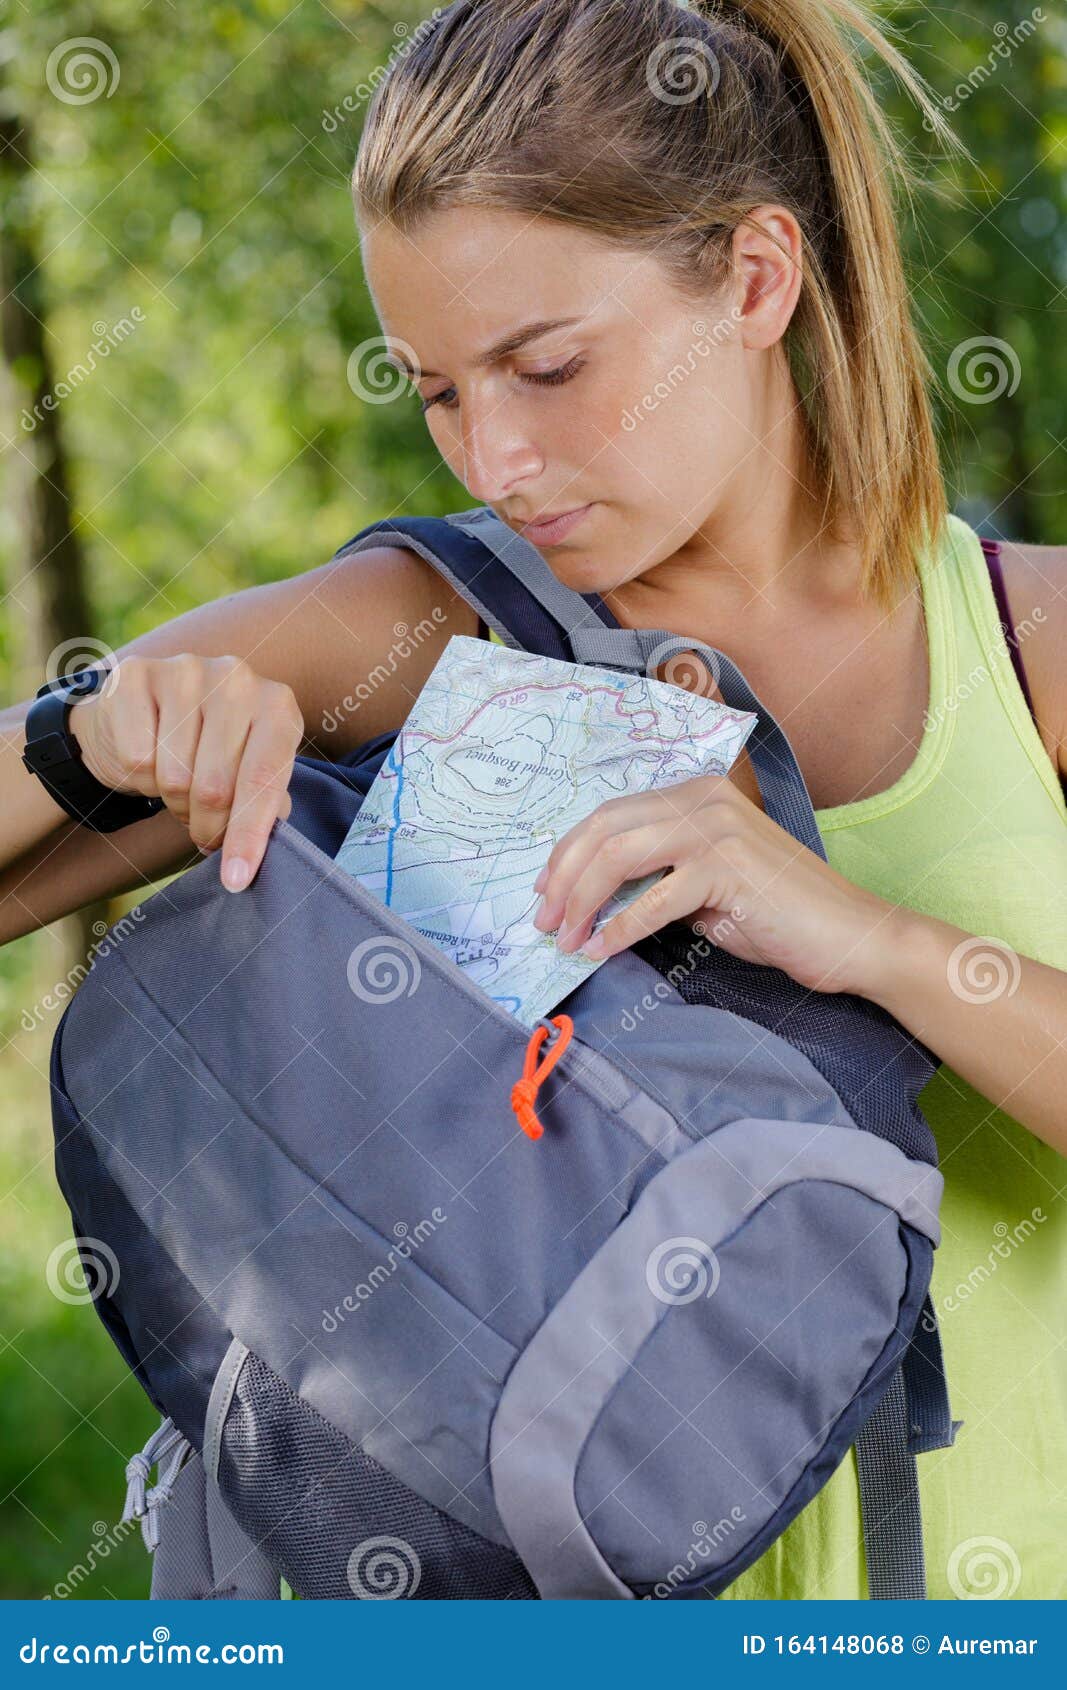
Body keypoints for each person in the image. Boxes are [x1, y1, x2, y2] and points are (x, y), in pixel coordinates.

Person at [2, 0, 1065, 1600]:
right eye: (436, 389)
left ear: (760, 278)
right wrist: (97, 734)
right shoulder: (434, 627)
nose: (495, 455)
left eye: (547, 366)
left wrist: (872, 942)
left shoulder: (1031, 644)